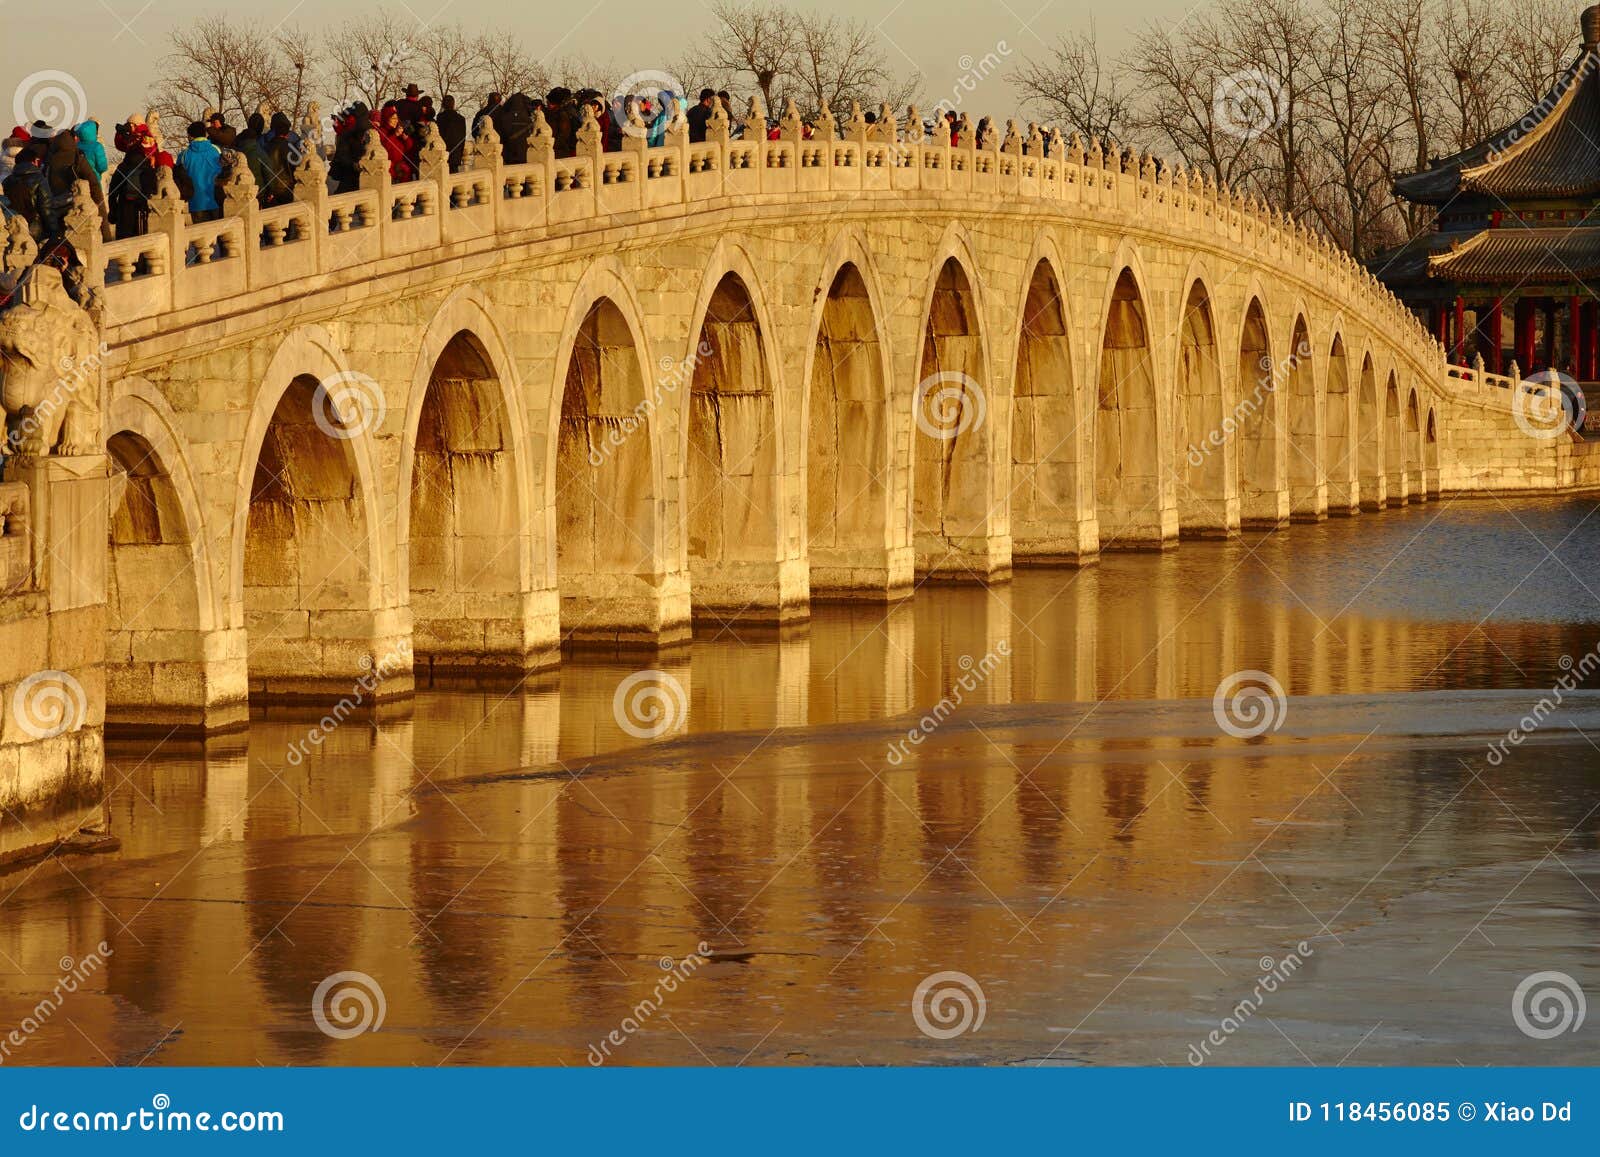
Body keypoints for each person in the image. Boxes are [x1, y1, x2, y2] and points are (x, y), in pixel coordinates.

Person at [175, 121, 222, 221]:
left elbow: (179, 177)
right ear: (205, 134)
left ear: (190, 136)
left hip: (195, 202)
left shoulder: (184, 155)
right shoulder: (216, 150)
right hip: (215, 199)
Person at [108, 144, 155, 239]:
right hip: (141, 209)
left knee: (124, 241)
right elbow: (153, 190)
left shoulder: (122, 167)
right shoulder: (146, 166)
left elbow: (113, 192)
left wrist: (113, 212)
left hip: (124, 209)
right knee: (142, 239)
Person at [373, 104, 415, 182]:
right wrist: (394, 135)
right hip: (389, 171)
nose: (396, 121)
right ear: (386, 119)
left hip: (402, 170)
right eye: (393, 118)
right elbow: (385, 148)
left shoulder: (397, 130)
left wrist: (406, 139)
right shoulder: (380, 132)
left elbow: (409, 148)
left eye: (397, 118)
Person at [436, 95, 467, 171]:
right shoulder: (461, 118)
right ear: (453, 104)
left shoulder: (440, 117)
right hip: (456, 153)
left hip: (444, 152)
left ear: (443, 105)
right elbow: (463, 138)